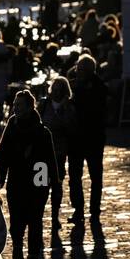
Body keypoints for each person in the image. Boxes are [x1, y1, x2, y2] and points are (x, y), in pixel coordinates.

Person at [0, 89, 59, 259]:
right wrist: (1, 177)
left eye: (20, 105)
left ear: (30, 107)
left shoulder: (42, 131)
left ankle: (33, 255)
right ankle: (17, 245)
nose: (16, 109)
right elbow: (3, 153)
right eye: (15, 105)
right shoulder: (11, 127)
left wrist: (52, 184)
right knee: (16, 220)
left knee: (35, 219)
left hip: (38, 178)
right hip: (17, 178)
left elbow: (49, 161)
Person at [66, 52, 108, 224]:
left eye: (83, 69)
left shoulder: (98, 87)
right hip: (76, 139)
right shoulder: (73, 86)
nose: (79, 72)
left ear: (91, 71)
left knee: (95, 176)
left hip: (93, 137)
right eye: (78, 69)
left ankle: (94, 210)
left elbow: (97, 111)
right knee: (75, 177)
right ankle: (78, 210)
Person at [39, 76, 78, 238]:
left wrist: (62, 111)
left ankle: (55, 216)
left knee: (56, 185)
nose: (56, 92)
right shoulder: (44, 104)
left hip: (59, 154)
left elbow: (70, 126)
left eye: (59, 89)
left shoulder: (69, 107)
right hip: (41, 154)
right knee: (40, 186)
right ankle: (38, 216)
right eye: (54, 89)